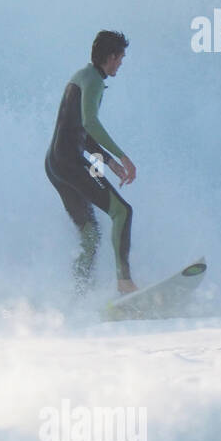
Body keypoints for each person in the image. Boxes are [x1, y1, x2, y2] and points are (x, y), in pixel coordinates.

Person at [45, 31, 138, 296]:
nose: (121, 63)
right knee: (123, 212)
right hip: (72, 163)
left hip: (56, 164)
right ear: (110, 57)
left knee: (90, 235)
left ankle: (79, 295)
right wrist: (122, 156)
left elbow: (80, 133)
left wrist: (107, 163)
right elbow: (90, 124)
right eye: (120, 58)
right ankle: (125, 284)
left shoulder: (82, 77)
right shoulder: (95, 81)